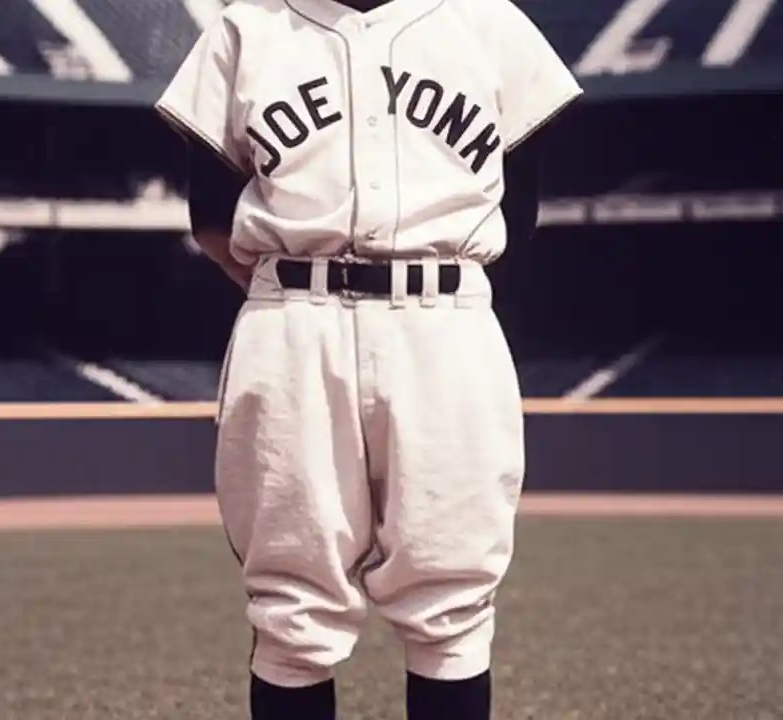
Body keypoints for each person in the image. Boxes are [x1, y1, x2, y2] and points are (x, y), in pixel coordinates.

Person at [155, 1, 580, 717]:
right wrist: (303, 286)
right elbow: (210, 215)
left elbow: (521, 209)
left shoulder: (489, 23)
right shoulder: (247, 28)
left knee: (452, 605)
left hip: (446, 330)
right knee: (293, 611)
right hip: (294, 329)